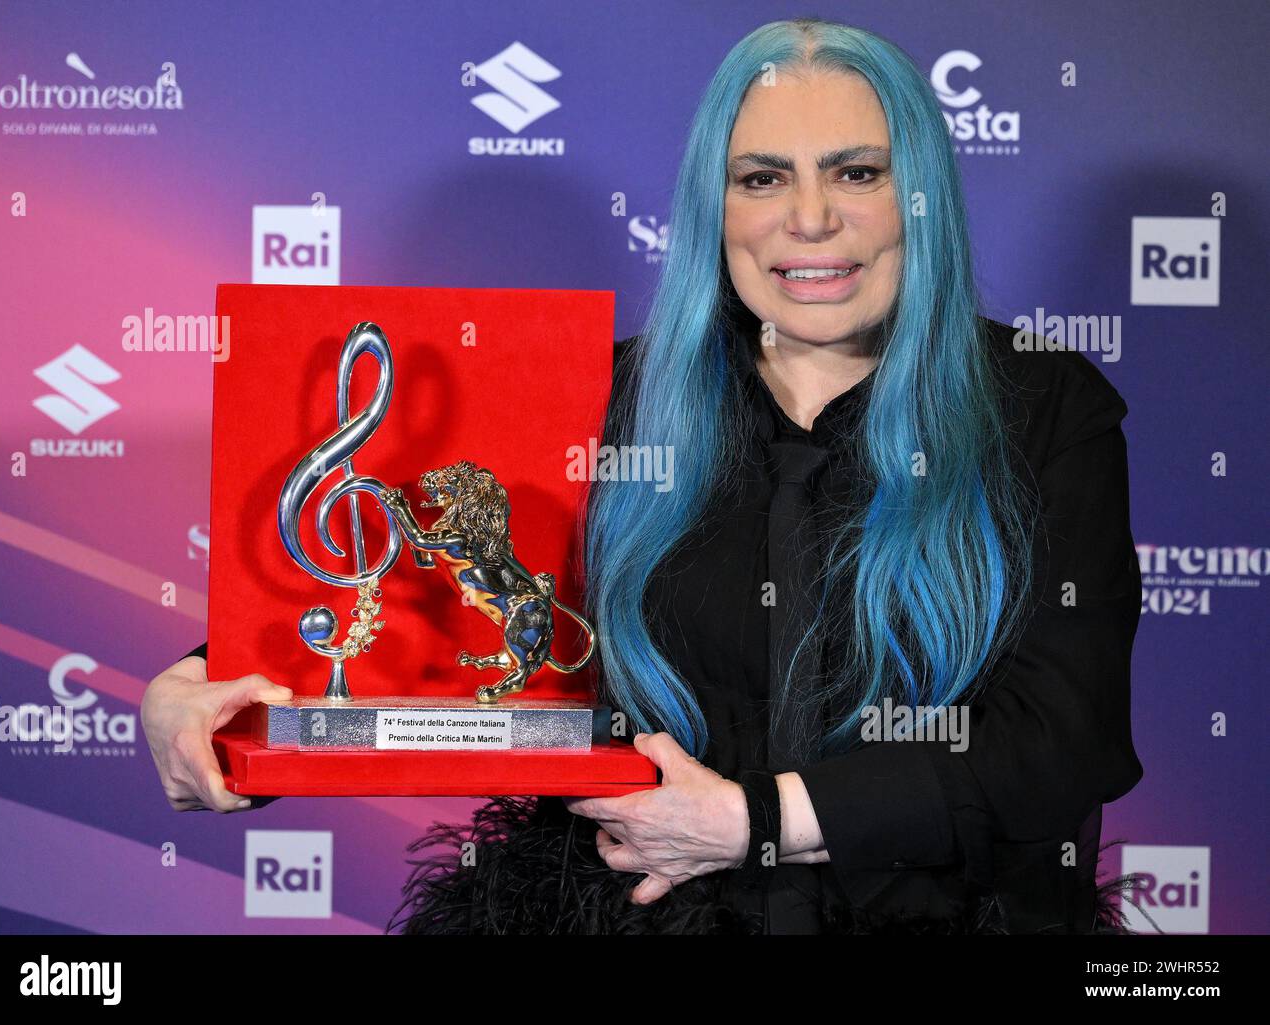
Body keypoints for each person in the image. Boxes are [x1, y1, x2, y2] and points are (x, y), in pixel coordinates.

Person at [141, 17, 1144, 934]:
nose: (808, 219)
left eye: (854, 173)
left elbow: (1061, 735)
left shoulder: (1043, 409)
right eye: (759, 178)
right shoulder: (601, 397)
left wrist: (752, 819)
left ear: (916, 195)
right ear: (711, 205)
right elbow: (428, 605)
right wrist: (209, 689)